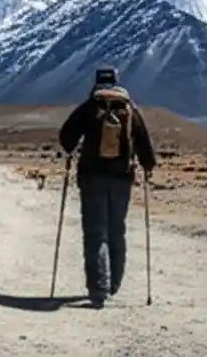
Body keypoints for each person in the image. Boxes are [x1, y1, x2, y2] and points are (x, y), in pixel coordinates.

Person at [58, 67, 156, 308]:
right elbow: (145, 144)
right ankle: (114, 284)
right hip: (122, 179)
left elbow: (66, 137)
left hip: (92, 179)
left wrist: (75, 147)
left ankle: (98, 289)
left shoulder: (89, 107)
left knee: (95, 233)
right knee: (116, 231)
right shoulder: (129, 109)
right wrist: (147, 165)